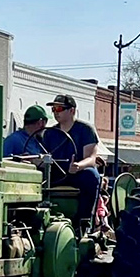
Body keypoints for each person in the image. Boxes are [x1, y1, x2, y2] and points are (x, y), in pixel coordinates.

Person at [44, 95, 101, 227]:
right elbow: (45, 154)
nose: (55, 112)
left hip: (78, 173)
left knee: (91, 176)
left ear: (72, 111)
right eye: (53, 109)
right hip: (56, 173)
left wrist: (78, 166)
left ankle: (84, 221)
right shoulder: (49, 133)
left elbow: (91, 158)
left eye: (59, 108)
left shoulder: (85, 130)